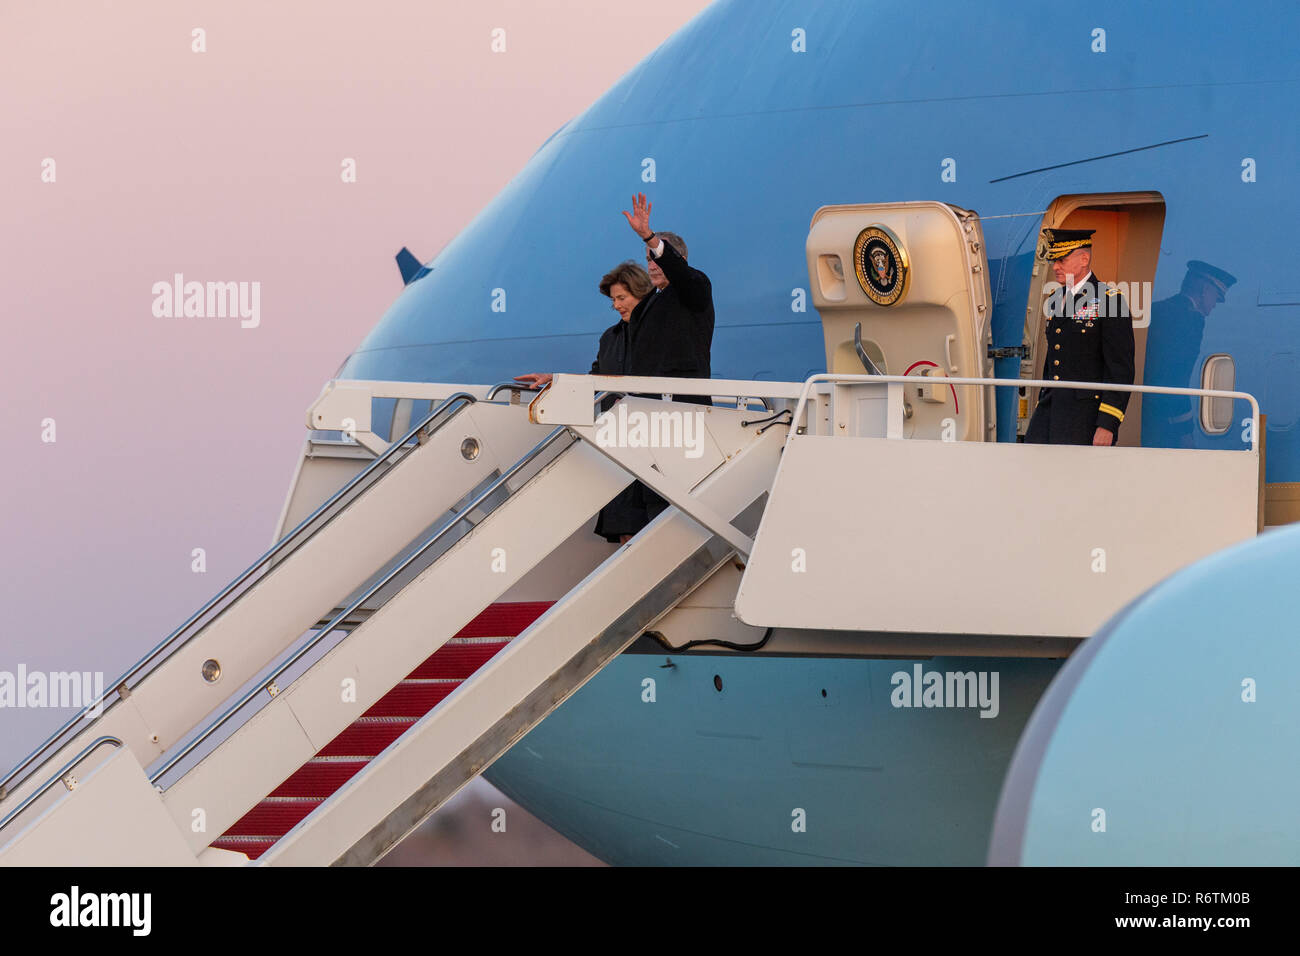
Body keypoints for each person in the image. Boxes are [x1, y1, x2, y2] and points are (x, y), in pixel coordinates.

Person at [1025, 228, 1135, 446]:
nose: (1055, 267)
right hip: (1050, 411)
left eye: (1062, 260)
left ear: (1084, 259)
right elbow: (1053, 360)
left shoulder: (1109, 301)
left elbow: (1120, 369)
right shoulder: (1057, 298)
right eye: (1053, 260)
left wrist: (1107, 423)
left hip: (1085, 417)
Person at [1141, 260, 1237, 447]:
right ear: (1204, 291)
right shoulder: (1191, 320)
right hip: (1166, 423)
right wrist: (1184, 430)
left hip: (1147, 414)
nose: (1214, 306)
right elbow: (1175, 377)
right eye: (1216, 297)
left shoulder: (1158, 309)